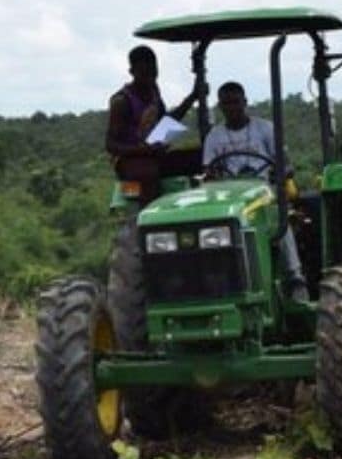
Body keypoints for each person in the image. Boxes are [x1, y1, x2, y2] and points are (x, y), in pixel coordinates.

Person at [202, 81, 308, 303]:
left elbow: (285, 163)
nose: (231, 108)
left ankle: (294, 277)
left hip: (263, 189)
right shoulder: (215, 136)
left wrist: (281, 174)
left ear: (245, 102)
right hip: (229, 195)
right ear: (220, 106)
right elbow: (208, 170)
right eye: (226, 103)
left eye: (235, 102)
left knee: (280, 220)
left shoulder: (265, 128)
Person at [106, 45, 204, 200]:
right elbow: (111, 145)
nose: (150, 78)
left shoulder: (154, 91)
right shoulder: (122, 101)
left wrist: (193, 97)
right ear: (132, 72)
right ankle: (147, 219)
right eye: (144, 73)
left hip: (155, 156)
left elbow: (166, 124)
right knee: (148, 174)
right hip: (129, 162)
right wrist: (145, 151)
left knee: (202, 156)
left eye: (154, 72)